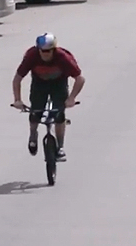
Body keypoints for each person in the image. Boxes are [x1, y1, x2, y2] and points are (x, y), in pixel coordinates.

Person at [12, 33, 86, 162]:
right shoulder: (32, 56)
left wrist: (72, 98)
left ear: (54, 49)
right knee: (36, 111)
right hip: (39, 83)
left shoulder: (63, 57)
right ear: (38, 50)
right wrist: (17, 100)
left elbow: (80, 79)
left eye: (48, 51)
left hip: (59, 83)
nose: (45, 54)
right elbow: (17, 79)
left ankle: (60, 147)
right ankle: (33, 135)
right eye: (42, 51)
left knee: (59, 114)